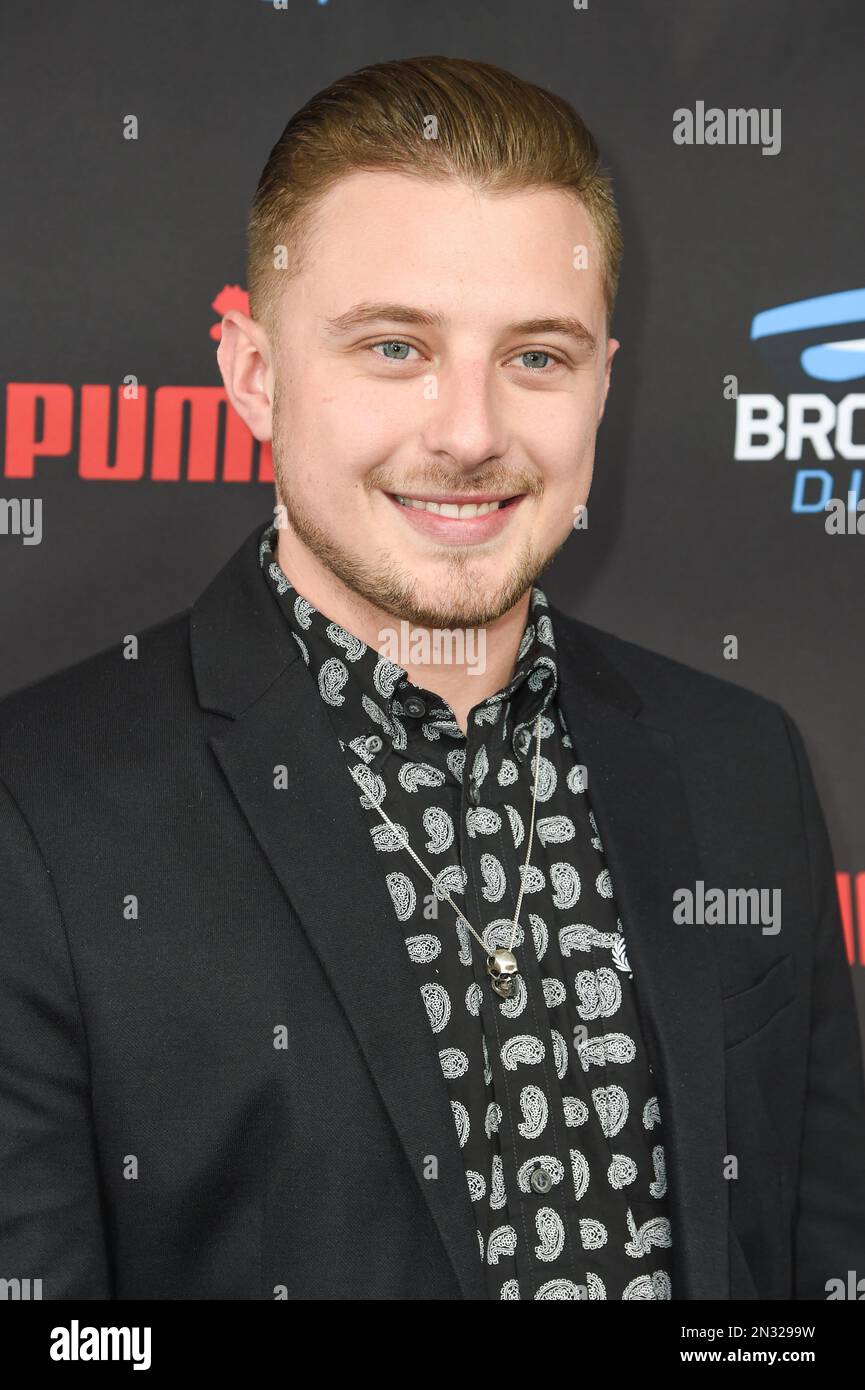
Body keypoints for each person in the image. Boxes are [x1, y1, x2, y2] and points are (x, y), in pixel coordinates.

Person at [1, 55, 863, 1302]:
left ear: (603, 383)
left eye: (537, 357)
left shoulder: (743, 762)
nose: (468, 432)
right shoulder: (37, 817)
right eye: (395, 345)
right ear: (253, 373)